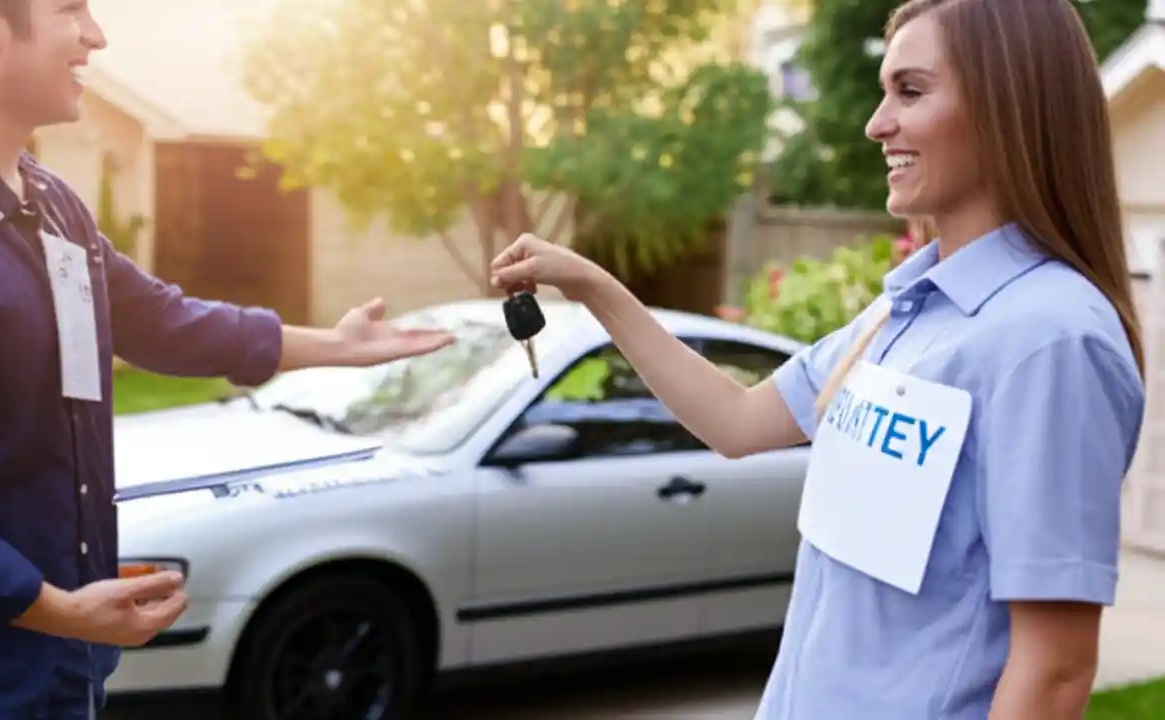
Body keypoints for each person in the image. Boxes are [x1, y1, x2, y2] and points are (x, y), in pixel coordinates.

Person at [490, 0, 1145, 718]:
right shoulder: (904, 309)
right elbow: (736, 421)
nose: (875, 123)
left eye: (911, 90)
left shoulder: (1050, 338)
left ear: (1007, 106)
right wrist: (593, 285)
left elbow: (1054, 671)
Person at [0, 1, 453, 718]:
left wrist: (332, 348)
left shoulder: (55, 204)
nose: (96, 35)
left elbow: (158, 321)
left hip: (70, 676)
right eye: (71, 9)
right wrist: (60, 611)